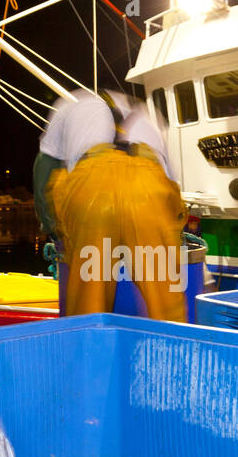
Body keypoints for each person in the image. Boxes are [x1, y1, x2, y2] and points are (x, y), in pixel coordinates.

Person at [35, 91, 187, 321]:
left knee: (89, 305)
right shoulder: (152, 117)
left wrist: (54, 230)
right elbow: (171, 190)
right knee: (167, 306)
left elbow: (44, 169)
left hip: (93, 191)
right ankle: (176, 350)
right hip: (149, 190)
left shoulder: (70, 103)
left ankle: (91, 349)